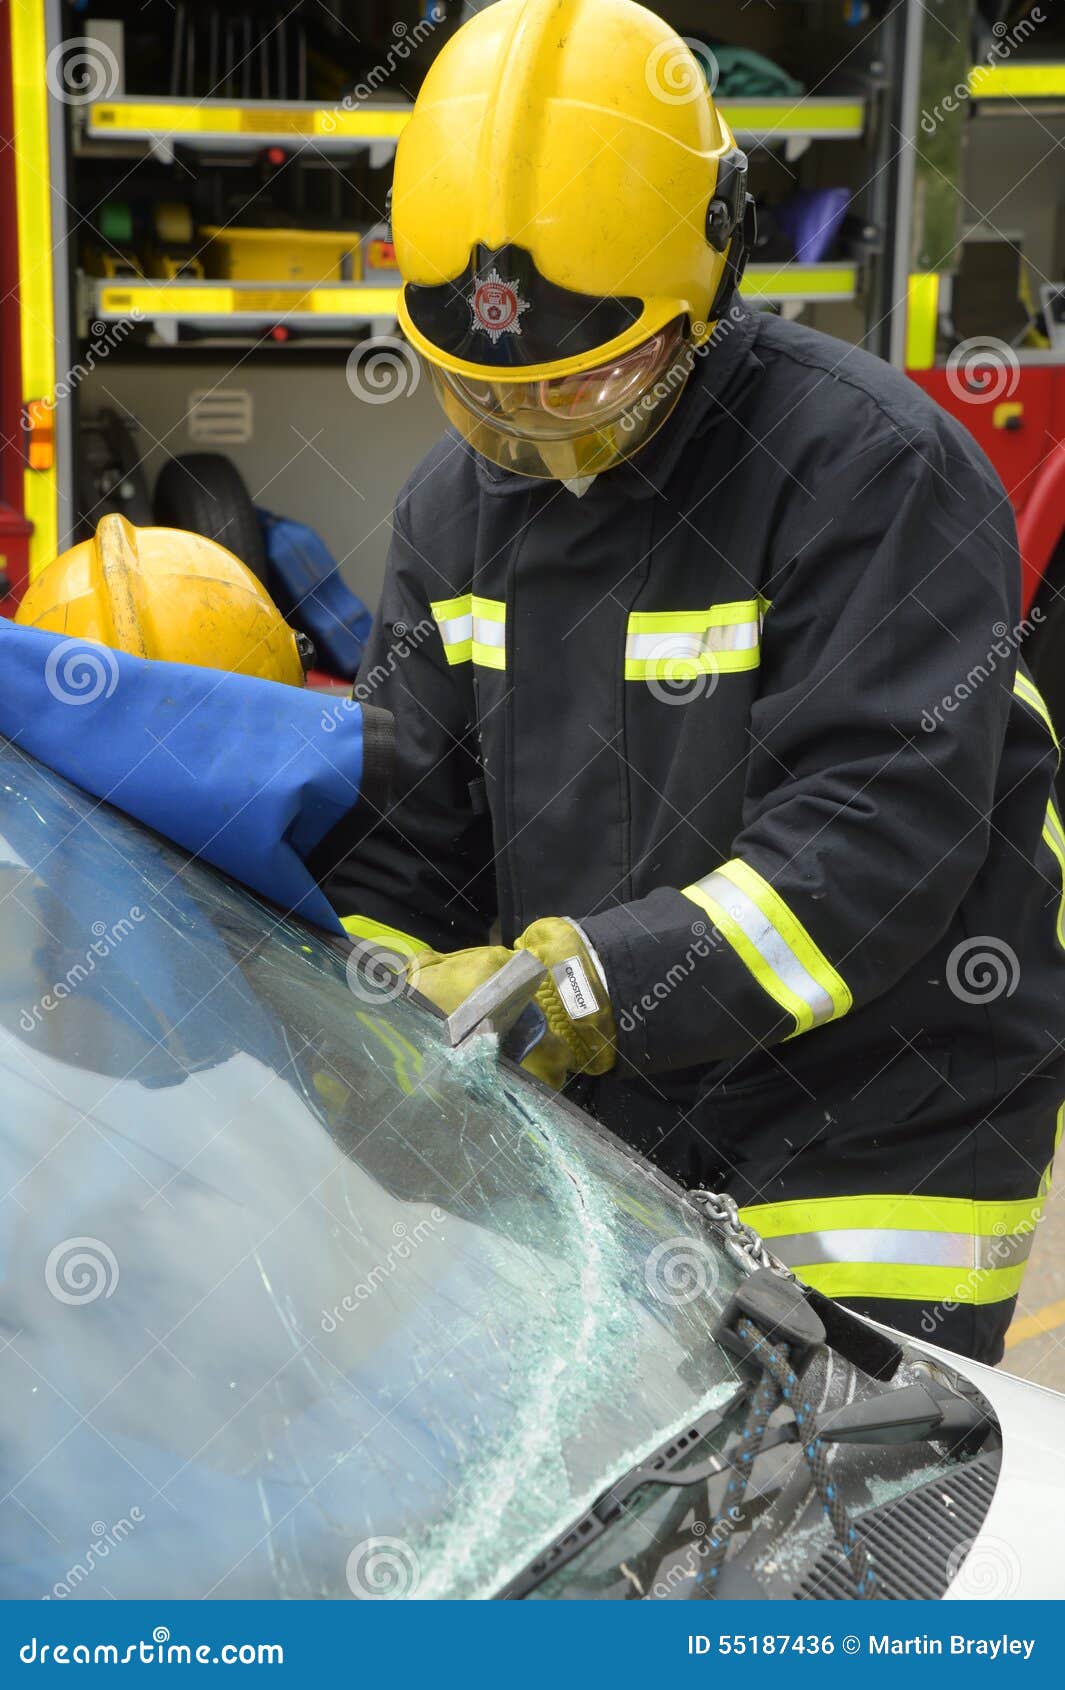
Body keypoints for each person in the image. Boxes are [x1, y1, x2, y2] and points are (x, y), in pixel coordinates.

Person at [332, 0, 1064, 1364]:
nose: (540, 442)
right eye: (484, 395)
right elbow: (409, 821)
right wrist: (373, 975)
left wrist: (595, 986)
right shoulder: (453, 508)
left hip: (879, 1126)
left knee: (824, 1517)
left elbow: (873, 845)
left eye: (589, 383)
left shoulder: (869, 475)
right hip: (625, 1114)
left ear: (713, 276)